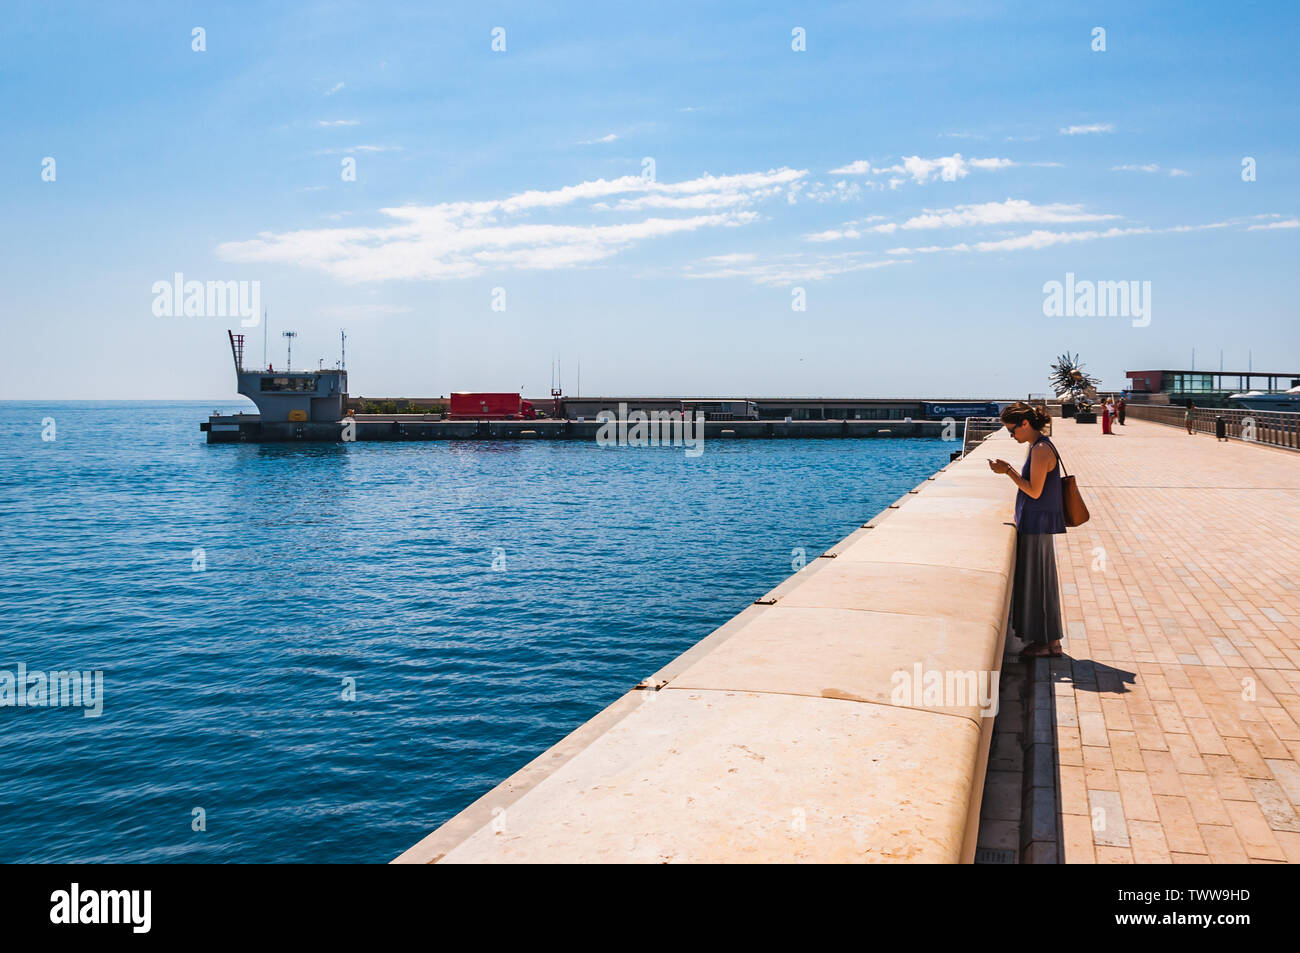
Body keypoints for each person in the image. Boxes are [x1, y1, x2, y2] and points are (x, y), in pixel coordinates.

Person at [989, 402, 1066, 658]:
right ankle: (1050, 642)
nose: (1011, 436)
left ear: (1025, 424)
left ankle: (1048, 643)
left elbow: (1034, 490)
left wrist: (1008, 470)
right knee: (1040, 581)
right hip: (1035, 523)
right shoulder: (1038, 446)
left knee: (1039, 583)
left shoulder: (1041, 449)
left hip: (1037, 524)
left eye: (1012, 430)